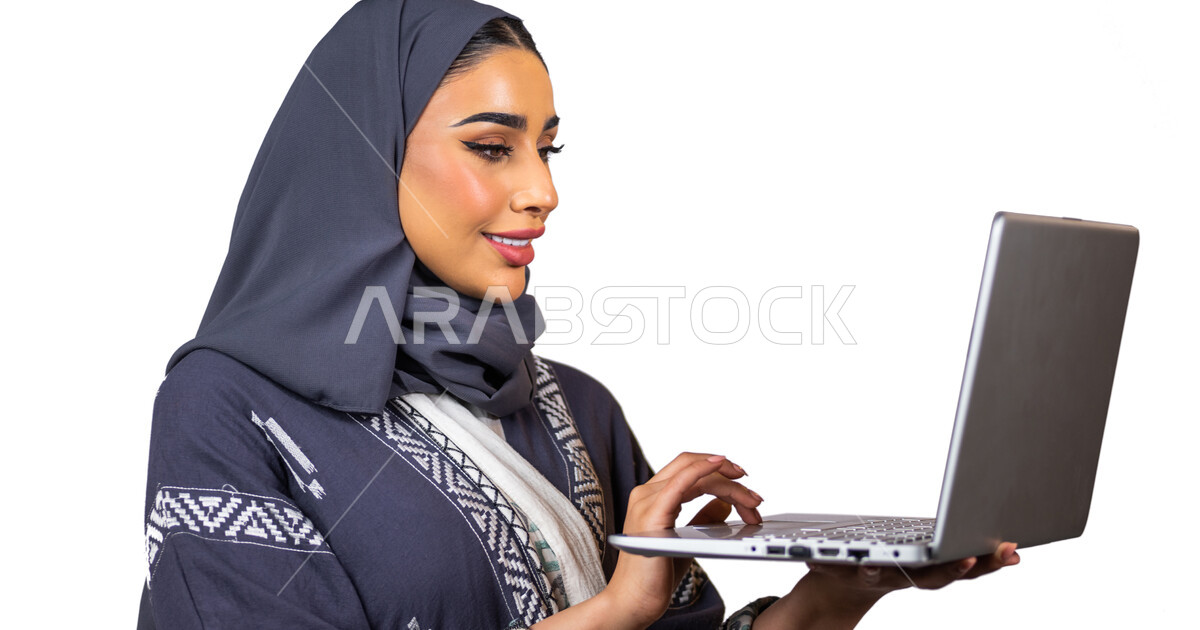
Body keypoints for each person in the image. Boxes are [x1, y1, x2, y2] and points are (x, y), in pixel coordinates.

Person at [137, 1, 1019, 628]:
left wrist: (839, 592)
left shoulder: (569, 405)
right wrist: (614, 612)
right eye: (493, 147)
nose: (544, 191)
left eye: (548, 147)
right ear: (360, 158)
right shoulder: (228, 407)